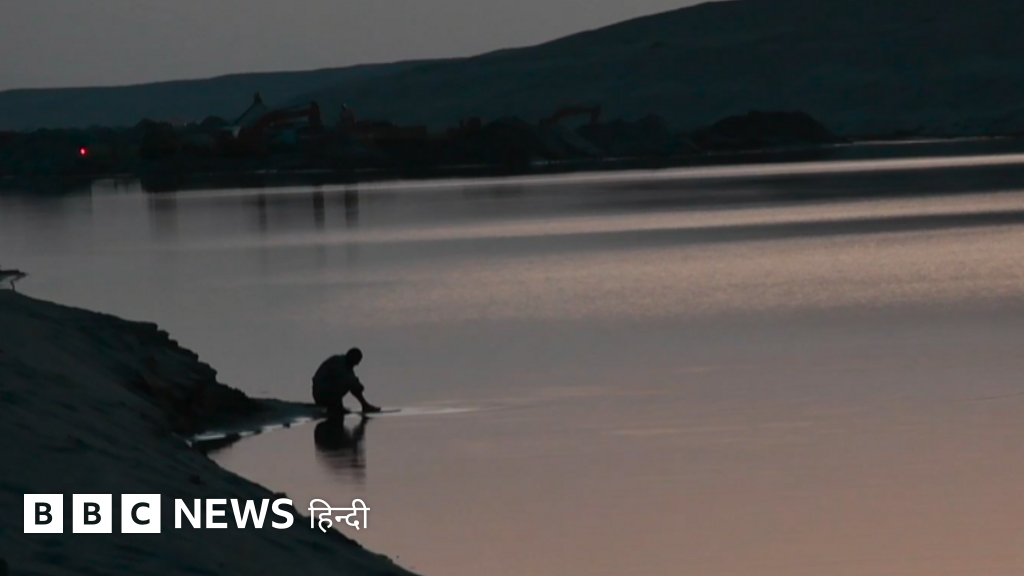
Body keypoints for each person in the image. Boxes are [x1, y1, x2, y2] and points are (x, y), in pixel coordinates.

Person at [311, 348, 381, 414]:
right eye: (356, 361)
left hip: (325, 391)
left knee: (349, 384)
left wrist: (358, 386)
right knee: (348, 384)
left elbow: (352, 379)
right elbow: (348, 380)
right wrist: (358, 386)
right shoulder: (339, 363)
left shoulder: (345, 366)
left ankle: (362, 405)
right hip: (322, 394)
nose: (357, 364)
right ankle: (363, 405)